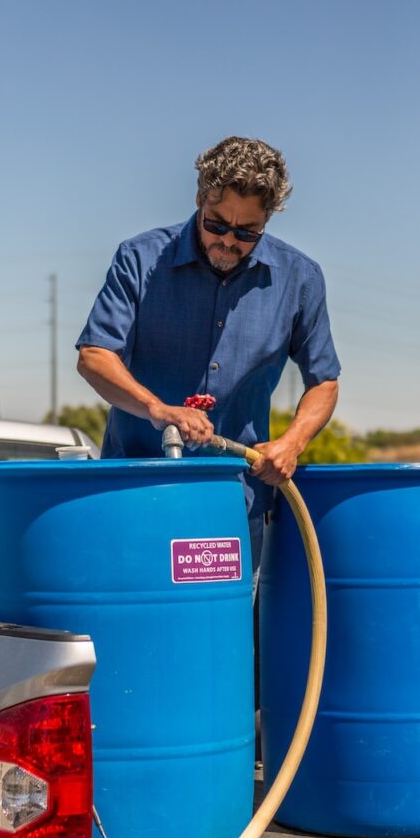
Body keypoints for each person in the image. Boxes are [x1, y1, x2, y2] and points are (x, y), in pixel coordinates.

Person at [76, 136, 340, 575]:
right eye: (217, 224)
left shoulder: (301, 278)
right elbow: (94, 356)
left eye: (247, 232)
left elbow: (325, 382)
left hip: (236, 507)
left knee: (228, 620)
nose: (229, 241)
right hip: (134, 497)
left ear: (267, 219)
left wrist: (292, 444)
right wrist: (157, 409)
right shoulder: (139, 259)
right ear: (200, 198)